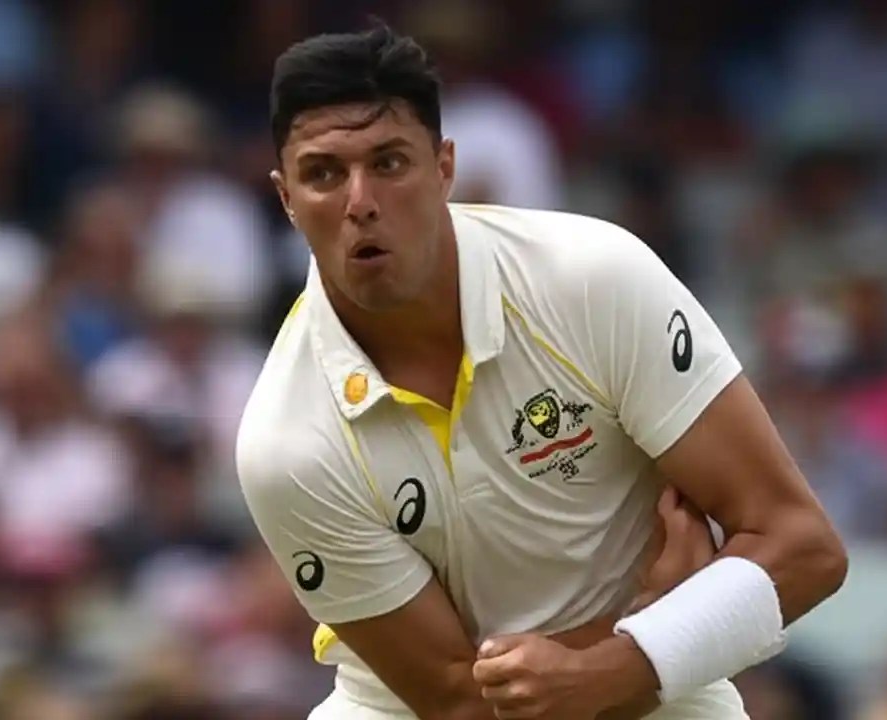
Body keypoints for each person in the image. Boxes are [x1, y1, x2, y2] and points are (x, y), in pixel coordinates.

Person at [235, 23, 848, 720]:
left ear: (444, 168)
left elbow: (806, 549)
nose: (360, 201)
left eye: (389, 162)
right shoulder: (284, 443)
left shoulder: (593, 280)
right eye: (323, 174)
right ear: (285, 198)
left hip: (658, 689)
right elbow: (455, 703)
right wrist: (654, 623)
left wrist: (621, 666)